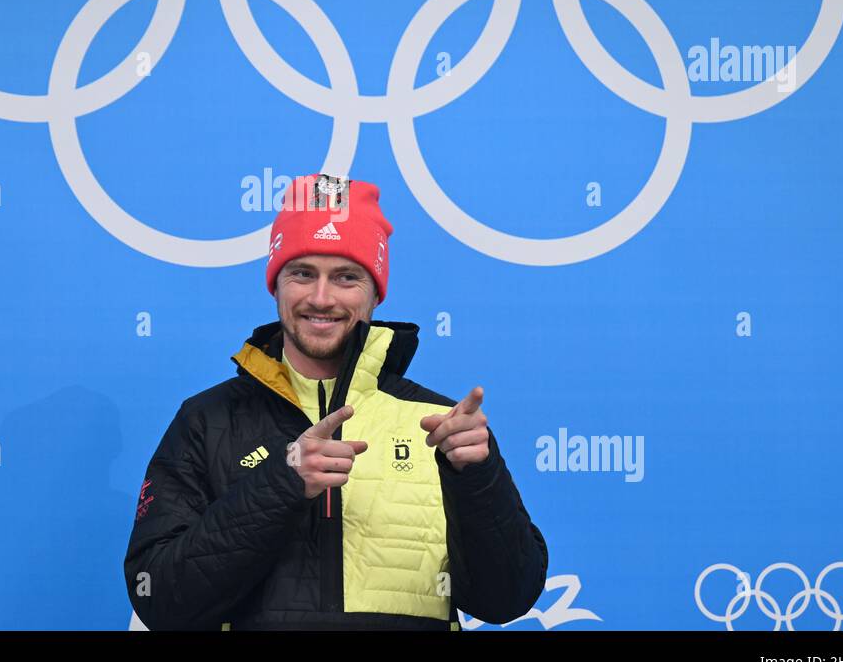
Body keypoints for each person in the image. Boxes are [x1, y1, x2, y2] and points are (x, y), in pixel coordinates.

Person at [123, 173, 548, 630]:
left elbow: (508, 599)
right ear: (276, 285)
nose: (321, 298)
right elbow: (159, 597)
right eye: (302, 273)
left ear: (375, 293)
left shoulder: (441, 426)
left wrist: (479, 480)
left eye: (346, 277)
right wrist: (283, 483)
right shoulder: (206, 421)